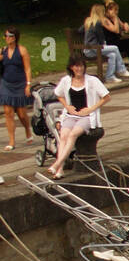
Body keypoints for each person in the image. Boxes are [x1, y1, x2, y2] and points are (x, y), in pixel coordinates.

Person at [48, 51, 110, 179]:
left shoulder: (92, 80)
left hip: (87, 116)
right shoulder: (66, 80)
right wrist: (67, 106)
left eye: (81, 66)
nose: (79, 69)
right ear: (71, 67)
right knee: (63, 135)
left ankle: (58, 164)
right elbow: (59, 94)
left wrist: (90, 109)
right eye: (76, 66)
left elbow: (106, 97)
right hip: (71, 115)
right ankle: (60, 170)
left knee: (73, 134)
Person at [1, 27, 33, 150]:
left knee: (21, 114)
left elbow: (27, 68)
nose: (7, 38)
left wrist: (28, 84)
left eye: (9, 35)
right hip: (6, 84)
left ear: (15, 37)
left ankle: (27, 130)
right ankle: (12, 141)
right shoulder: (3, 51)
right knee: (8, 113)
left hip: (20, 84)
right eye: (5, 35)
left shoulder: (22, 51)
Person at [82, 2, 129, 83]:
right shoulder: (98, 23)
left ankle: (109, 76)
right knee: (115, 48)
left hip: (92, 49)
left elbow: (80, 30)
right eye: (103, 11)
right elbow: (101, 38)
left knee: (112, 55)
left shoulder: (88, 21)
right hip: (93, 49)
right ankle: (121, 69)